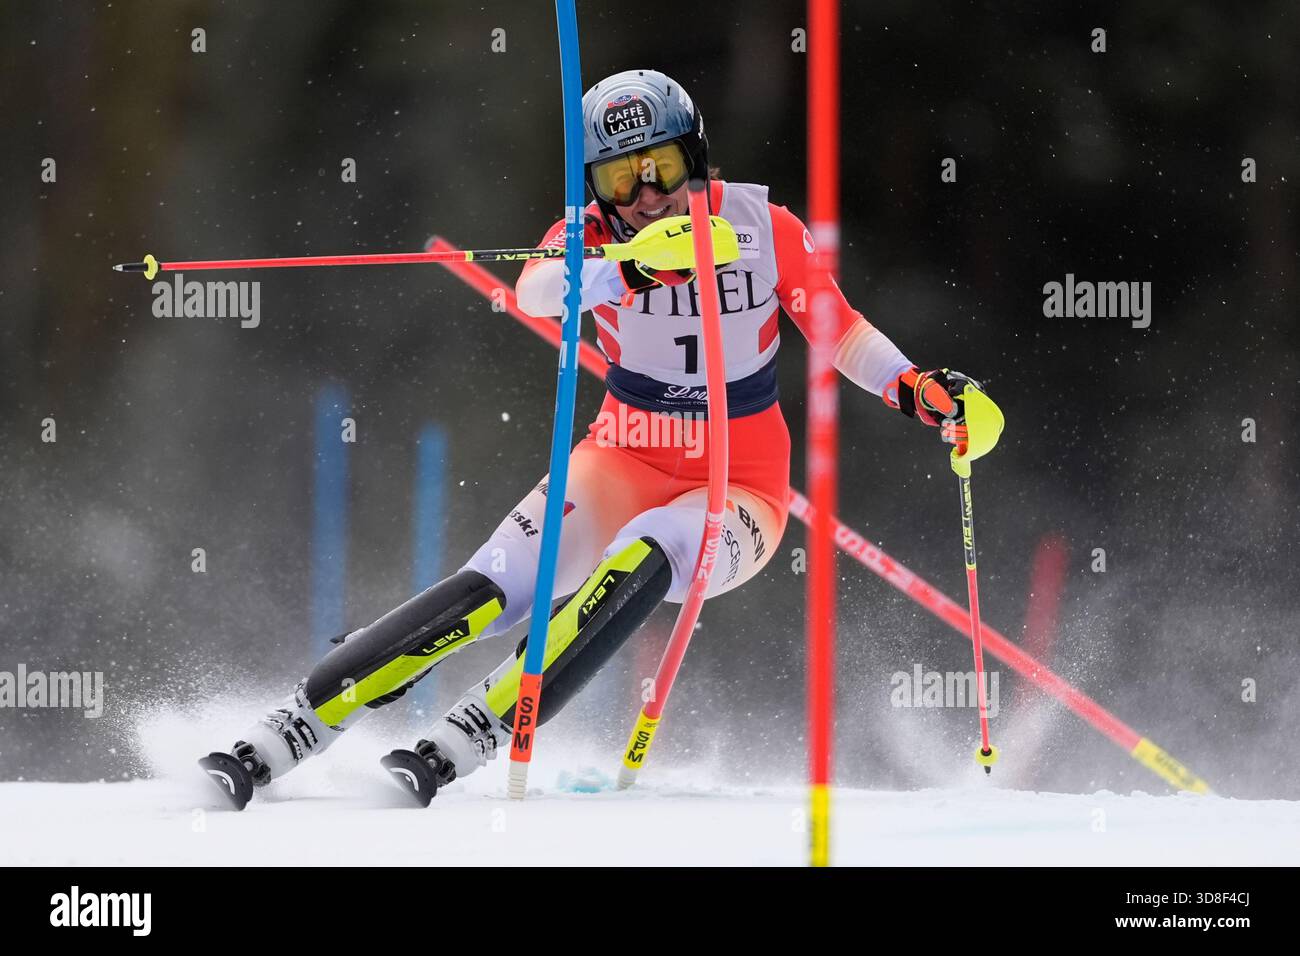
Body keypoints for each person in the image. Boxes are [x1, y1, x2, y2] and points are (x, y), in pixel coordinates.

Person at [200, 68, 991, 809]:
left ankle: (479, 726)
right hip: (620, 456)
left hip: (738, 486)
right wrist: (631, 270)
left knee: (645, 554)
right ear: (597, 186)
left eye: (665, 168)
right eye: (622, 178)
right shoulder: (586, 234)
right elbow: (539, 291)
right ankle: (297, 722)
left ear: (697, 158)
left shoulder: (762, 227)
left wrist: (918, 390)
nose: (648, 195)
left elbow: (838, 330)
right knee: (497, 586)